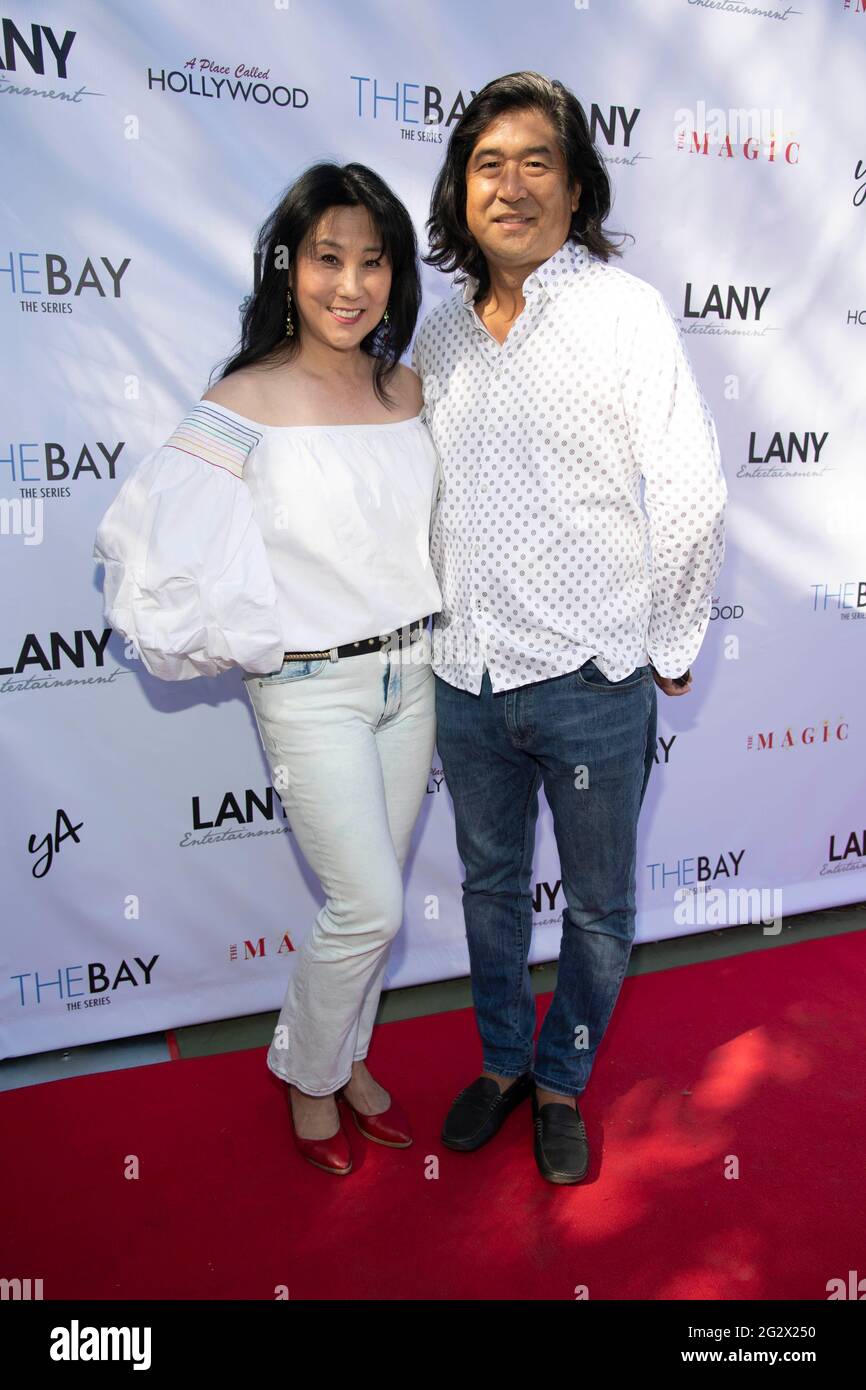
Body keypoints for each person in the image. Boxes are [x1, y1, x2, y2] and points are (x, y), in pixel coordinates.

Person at [93, 162, 443, 1177]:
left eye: (371, 262)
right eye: (327, 259)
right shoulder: (242, 398)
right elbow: (155, 547)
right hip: (308, 691)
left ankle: (346, 1055)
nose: (349, 285)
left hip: (411, 676)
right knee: (368, 904)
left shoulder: (406, 387)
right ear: (289, 269)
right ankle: (303, 1068)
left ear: (393, 275)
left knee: (370, 900)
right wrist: (248, 642)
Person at [411, 72, 727, 1185]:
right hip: (464, 672)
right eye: (486, 165)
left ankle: (560, 1079)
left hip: (592, 678)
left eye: (534, 161)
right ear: (458, 192)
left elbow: (689, 488)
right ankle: (502, 1062)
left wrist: (668, 641)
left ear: (576, 183)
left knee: (596, 910)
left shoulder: (622, 311)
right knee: (490, 889)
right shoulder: (436, 334)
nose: (508, 185)